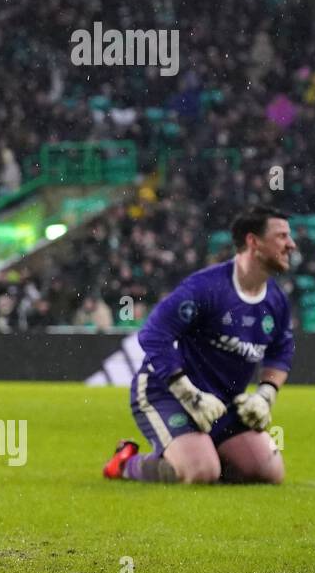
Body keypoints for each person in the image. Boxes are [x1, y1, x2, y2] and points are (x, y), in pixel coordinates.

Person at [103, 206, 294, 485]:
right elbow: (154, 334)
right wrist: (187, 392)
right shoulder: (205, 287)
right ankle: (126, 463)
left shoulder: (276, 300)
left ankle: (201, 451)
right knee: (200, 473)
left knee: (268, 472)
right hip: (166, 392)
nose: (291, 244)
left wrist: (266, 394)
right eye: (282, 236)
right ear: (253, 242)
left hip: (222, 404)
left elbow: (281, 350)